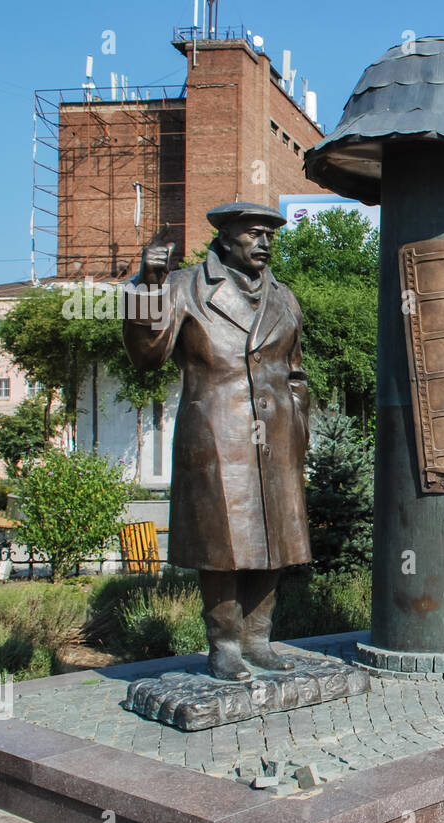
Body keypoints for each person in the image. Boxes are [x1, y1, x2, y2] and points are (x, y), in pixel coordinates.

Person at [123, 201, 311, 681]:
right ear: (225, 238)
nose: (264, 243)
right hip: (217, 433)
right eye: (253, 234)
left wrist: (299, 425)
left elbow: (295, 371)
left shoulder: (284, 297)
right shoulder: (183, 286)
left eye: (269, 236)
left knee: (276, 538)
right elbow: (146, 354)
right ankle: (223, 644)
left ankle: (258, 639)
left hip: (277, 436)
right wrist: (146, 282)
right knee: (224, 541)